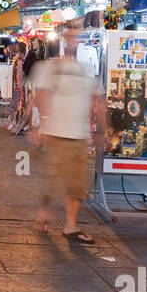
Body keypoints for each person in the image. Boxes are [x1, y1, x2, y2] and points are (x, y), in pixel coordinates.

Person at [31, 26, 103, 244]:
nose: (73, 41)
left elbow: (98, 100)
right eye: (69, 37)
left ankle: (70, 225)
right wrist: (40, 127)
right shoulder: (49, 67)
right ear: (61, 40)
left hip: (80, 136)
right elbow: (41, 97)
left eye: (76, 37)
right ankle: (42, 212)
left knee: (78, 183)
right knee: (51, 182)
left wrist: (100, 132)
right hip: (55, 134)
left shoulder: (87, 69)